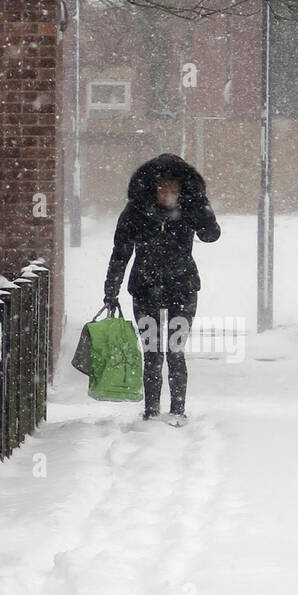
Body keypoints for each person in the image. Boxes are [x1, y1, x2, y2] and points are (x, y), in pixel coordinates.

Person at [103, 153, 221, 424]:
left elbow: (211, 235)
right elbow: (120, 252)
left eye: (174, 189)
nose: (168, 193)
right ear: (152, 189)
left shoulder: (190, 209)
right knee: (152, 351)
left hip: (183, 288)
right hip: (145, 288)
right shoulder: (135, 212)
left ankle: (178, 410)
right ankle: (151, 411)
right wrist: (111, 289)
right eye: (162, 188)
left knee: (175, 349)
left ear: (182, 191)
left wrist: (201, 206)